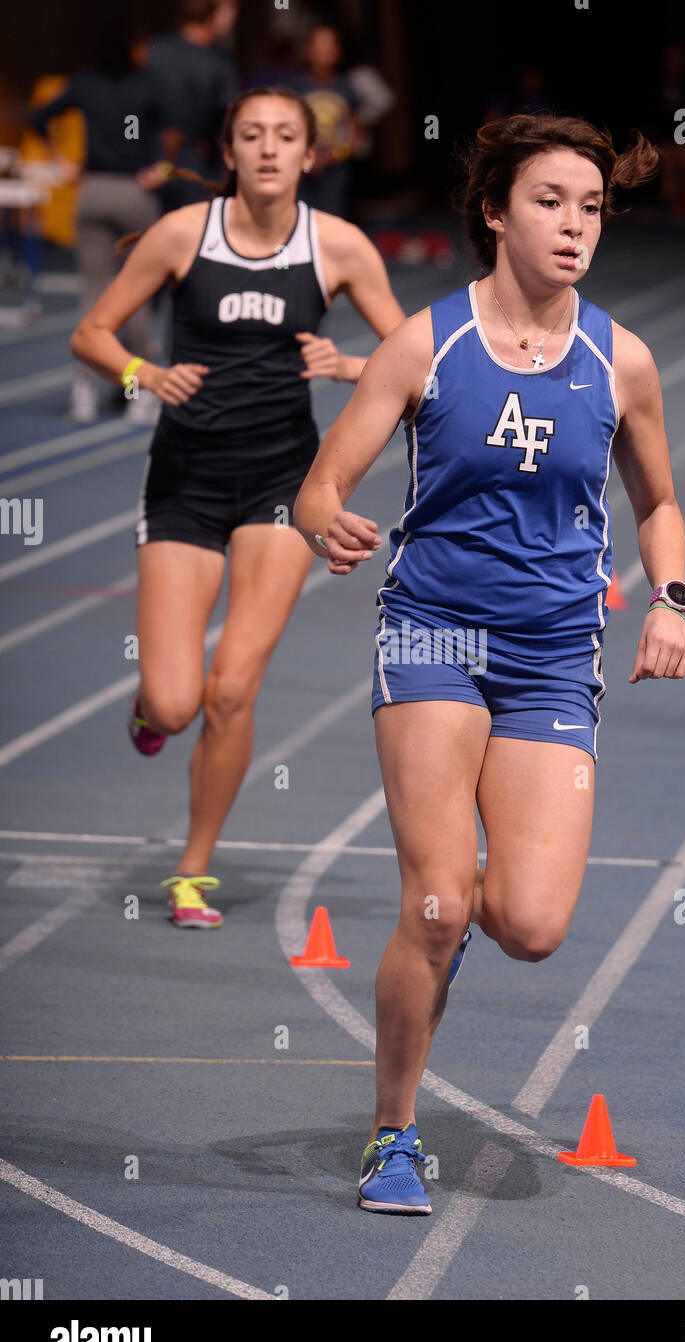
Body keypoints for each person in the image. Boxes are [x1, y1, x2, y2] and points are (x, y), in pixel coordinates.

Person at [292, 112, 685, 1215]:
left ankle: (453, 927)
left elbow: (657, 501)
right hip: (431, 634)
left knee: (525, 923)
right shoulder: (426, 342)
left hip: (553, 654)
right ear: (492, 211)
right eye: (549, 203)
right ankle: (392, 1133)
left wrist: (671, 597)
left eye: (591, 209)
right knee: (433, 902)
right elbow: (321, 483)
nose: (574, 227)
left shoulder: (621, 360)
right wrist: (326, 519)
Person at [69, 87, 404, 929]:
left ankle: (191, 871)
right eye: (251, 135)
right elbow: (93, 332)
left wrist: (348, 364)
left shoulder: (341, 247)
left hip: (282, 487)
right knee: (178, 701)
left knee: (231, 690)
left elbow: (415, 363)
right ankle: (151, 705)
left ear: (308, 156)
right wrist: (141, 376)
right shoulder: (185, 234)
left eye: (284, 136)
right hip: (185, 480)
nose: (267, 149)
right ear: (228, 151)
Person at [26, 18, 170, 425]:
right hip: (133, 192)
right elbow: (173, 132)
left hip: (92, 192)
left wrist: (62, 161)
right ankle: (138, 392)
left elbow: (39, 117)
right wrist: (161, 167)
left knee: (92, 294)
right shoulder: (146, 84)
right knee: (136, 296)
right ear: (132, 49)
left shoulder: (85, 83)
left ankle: (83, 391)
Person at [146, 0, 241, 215]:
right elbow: (231, 117)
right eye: (229, 10)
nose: (232, 17)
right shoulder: (218, 61)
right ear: (213, 14)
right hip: (187, 165)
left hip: (158, 165)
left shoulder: (154, 50)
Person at [289, 24, 362, 217]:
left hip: (335, 174)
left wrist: (330, 157)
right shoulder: (292, 88)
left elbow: (354, 138)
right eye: (318, 46)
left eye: (329, 47)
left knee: (332, 223)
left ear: (338, 51)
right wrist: (303, 159)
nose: (323, 52)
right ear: (308, 51)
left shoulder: (347, 89)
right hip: (299, 172)